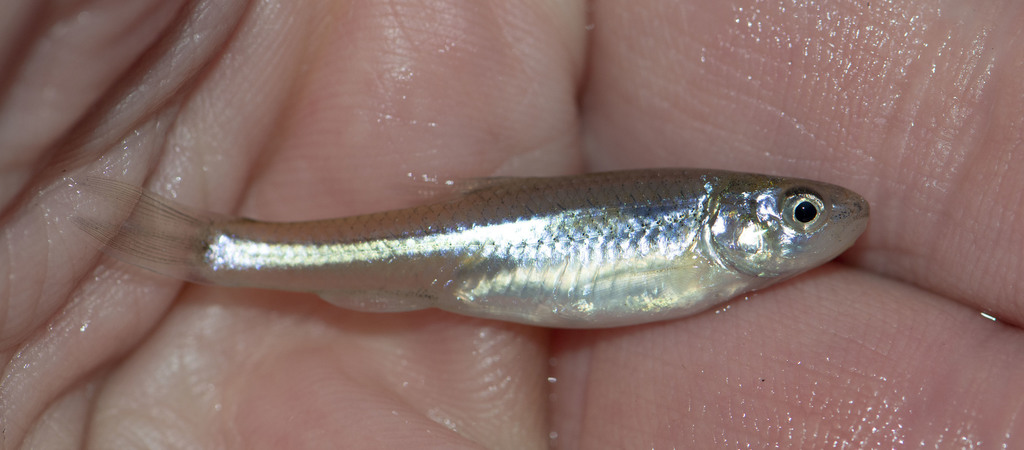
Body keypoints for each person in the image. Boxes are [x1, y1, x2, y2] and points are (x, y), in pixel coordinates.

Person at [2, 1, 1021, 447]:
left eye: (802, 217)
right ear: (739, 220)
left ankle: (223, 249)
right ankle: (226, 249)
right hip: (453, 251)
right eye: (798, 214)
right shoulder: (706, 236)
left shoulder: (713, 251)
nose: (813, 226)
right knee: (318, 252)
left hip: (465, 257)